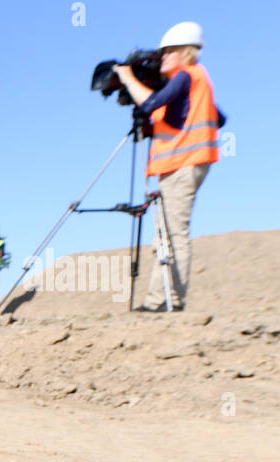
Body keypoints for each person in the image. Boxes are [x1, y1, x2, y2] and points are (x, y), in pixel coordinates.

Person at [114, 21, 225, 311]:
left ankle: (170, 301)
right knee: (165, 234)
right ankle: (156, 301)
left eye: (166, 53)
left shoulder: (188, 76)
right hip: (181, 164)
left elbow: (150, 103)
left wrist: (127, 77)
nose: (162, 58)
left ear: (184, 52)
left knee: (174, 234)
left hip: (183, 164)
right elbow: (217, 117)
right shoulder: (195, 82)